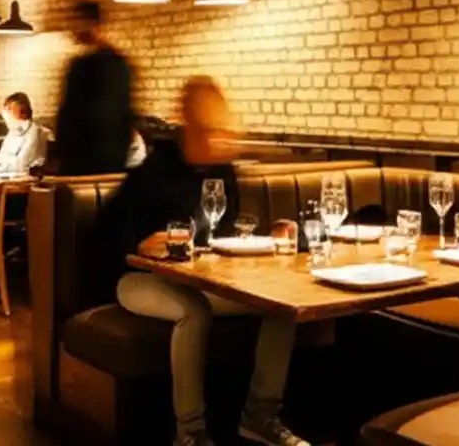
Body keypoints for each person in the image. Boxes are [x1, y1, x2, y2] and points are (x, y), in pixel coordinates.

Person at [98, 77, 307, 446]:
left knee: (281, 305)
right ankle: (190, 433)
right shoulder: (153, 170)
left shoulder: (222, 171)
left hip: (201, 279)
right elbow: (106, 232)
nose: (220, 140)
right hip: (140, 280)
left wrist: (268, 233)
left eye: (223, 130)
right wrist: (140, 243)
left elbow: (225, 232)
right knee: (194, 311)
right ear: (189, 126)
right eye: (210, 130)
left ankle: (259, 417)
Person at [56, 0, 135, 176]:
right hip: (112, 161)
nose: (71, 28)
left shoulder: (84, 66)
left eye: (75, 21)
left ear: (89, 23)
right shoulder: (119, 63)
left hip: (85, 162)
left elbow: (77, 115)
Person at [0, 92, 47, 173]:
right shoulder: (13, 133)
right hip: (11, 175)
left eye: (9, 109)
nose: (5, 113)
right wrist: (8, 160)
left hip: (29, 177)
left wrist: (7, 160)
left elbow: (22, 164)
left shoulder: (35, 131)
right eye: (5, 109)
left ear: (23, 112)